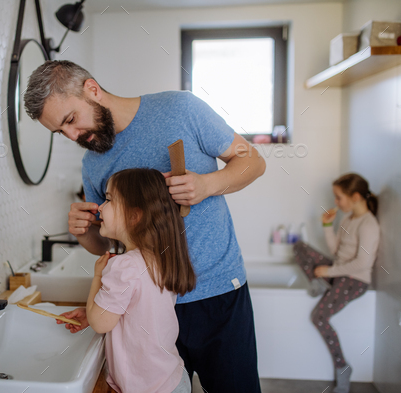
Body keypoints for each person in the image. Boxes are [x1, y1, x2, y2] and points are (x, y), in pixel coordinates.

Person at [24, 60, 266, 392]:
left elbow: (253, 160)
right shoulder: (93, 164)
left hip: (217, 294)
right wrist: (84, 232)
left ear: (92, 90)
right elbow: (108, 243)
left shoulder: (181, 109)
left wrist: (209, 185)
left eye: (70, 120)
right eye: (60, 132)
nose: (72, 136)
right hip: (146, 312)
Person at [58, 168, 196, 393]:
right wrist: (96, 308)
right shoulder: (160, 257)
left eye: (109, 199)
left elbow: (100, 323)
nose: (100, 207)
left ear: (134, 216)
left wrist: (97, 277)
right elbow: (134, 309)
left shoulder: (124, 266)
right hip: (173, 380)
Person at [293, 173, 380, 393]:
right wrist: (327, 226)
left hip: (355, 280)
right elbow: (336, 252)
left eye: (339, 198)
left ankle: (342, 367)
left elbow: (362, 263)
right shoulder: (348, 219)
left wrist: (329, 270)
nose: (336, 203)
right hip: (339, 272)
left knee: (319, 317)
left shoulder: (369, 225)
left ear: (356, 197)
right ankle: (318, 283)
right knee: (299, 246)